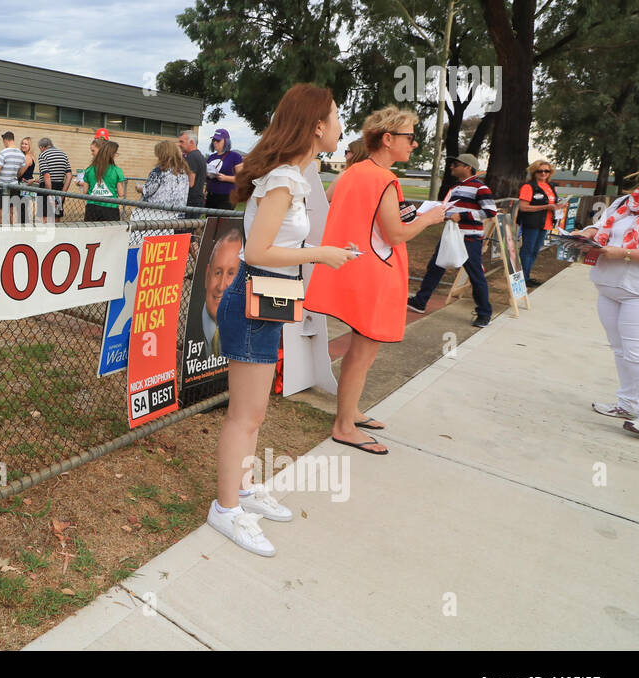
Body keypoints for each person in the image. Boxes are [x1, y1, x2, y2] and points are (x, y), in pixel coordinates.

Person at [207, 83, 353, 557]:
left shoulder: (294, 176)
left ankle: (243, 492)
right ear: (315, 126)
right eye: (334, 117)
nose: (339, 126)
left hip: (269, 297)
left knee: (254, 414)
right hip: (254, 299)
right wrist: (322, 254)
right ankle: (227, 509)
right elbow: (259, 250)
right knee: (243, 416)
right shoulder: (285, 179)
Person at [304, 105, 446, 455]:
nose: (414, 145)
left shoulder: (352, 172)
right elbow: (396, 234)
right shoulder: (385, 179)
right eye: (410, 138)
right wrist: (430, 219)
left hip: (350, 268)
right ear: (387, 139)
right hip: (375, 275)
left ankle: (349, 412)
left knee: (359, 350)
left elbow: (338, 207)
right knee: (363, 353)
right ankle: (344, 425)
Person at [576, 160, 639, 438]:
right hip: (608, 286)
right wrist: (584, 235)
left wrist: (624, 254)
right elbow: (601, 227)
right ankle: (628, 403)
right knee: (619, 349)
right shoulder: (624, 202)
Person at [406, 153, 497, 328]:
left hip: (469, 237)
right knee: (435, 267)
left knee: (475, 274)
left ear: (468, 167)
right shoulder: (456, 188)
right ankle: (420, 301)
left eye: (456, 164)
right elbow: (452, 209)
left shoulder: (480, 188)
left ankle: (484, 313)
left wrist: (462, 216)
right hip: (452, 235)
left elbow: (490, 212)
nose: (452, 167)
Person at [133, 139, 190, 242]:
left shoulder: (159, 170)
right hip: (175, 214)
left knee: (145, 242)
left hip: (154, 213)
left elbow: (149, 190)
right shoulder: (183, 171)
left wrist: (139, 188)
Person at [200, 226, 243, 360]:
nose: (221, 285)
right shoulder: (189, 332)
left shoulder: (248, 331)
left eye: (231, 273)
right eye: (218, 272)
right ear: (207, 276)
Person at [518, 159, 560, 286]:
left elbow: (552, 204)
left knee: (535, 251)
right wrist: (546, 207)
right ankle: (522, 278)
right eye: (540, 171)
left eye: (546, 171)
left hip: (545, 223)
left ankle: (527, 276)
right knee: (527, 250)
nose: (543, 173)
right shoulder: (528, 187)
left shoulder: (550, 186)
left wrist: (559, 206)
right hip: (531, 224)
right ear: (534, 172)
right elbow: (523, 207)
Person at [78, 138, 125, 222]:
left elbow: (85, 192)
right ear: (112, 155)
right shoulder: (117, 170)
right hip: (110, 208)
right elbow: (121, 193)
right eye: (116, 153)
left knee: (91, 231)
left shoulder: (89, 169)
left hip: (92, 207)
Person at [0, 131, 26, 223]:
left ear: (5, 140)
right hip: (14, 186)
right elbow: (20, 172)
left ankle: (2, 232)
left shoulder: (3, 152)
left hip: (2, 187)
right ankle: (11, 232)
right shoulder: (21, 154)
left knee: (2, 213)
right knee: (11, 213)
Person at [205, 129, 243, 210]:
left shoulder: (235, 156)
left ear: (226, 141)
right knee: (210, 220)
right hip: (211, 195)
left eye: (218, 140)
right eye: (214, 140)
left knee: (222, 220)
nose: (215, 142)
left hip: (227, 196)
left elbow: (242, 178)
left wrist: (226, 178)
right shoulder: (211, 157)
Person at [37, 137, 72, 222]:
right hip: (60, 187)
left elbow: (47, 175)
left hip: (46, 188)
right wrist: (62, 194)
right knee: (56, 217)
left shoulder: (43, 155)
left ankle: (45, 235)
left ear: (42, 147)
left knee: (44, 218)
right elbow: (69, 176)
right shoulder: (64, 155)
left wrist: (50, 195)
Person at [179, 130, 208, 208]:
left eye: (182, 142)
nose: (179, 144)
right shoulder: (198, 155)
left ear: (191, 142)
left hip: (191, 202)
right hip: (195, 201)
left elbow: (190, 183)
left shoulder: (191, 157)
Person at [17, 137, 38, 224]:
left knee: (22, 210)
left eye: (26, 144)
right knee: (24, 209)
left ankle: (24, 231)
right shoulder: (30, 156)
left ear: (30, 146)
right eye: (22, 143)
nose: (23, 145)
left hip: (24, 186)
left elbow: (20, 173)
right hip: (26, 185)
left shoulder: (28, 157)